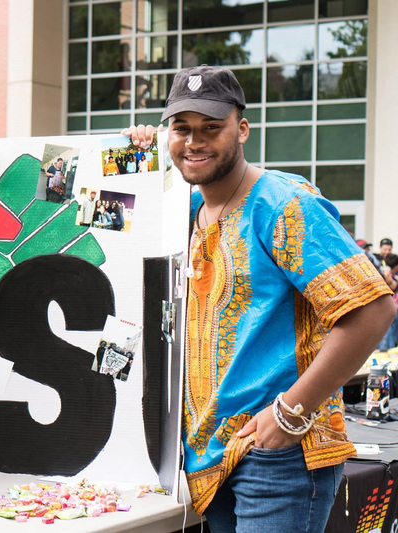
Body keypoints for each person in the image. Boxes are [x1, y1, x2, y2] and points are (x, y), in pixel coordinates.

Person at [125, 65, 393, 532]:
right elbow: (101, 219)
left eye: (212, 127)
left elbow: (373, 308)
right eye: (181, 128)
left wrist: (291, 411)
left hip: (278, 458)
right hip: (207, 458)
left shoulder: (283, 204)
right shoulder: (182, 211)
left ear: (242, 129)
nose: (194, 142)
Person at [377, 254, 398, 351]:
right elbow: (393, 287)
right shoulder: (386, 276)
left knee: (389, 335)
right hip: (390, 310)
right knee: (388, 335)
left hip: (391, 309)